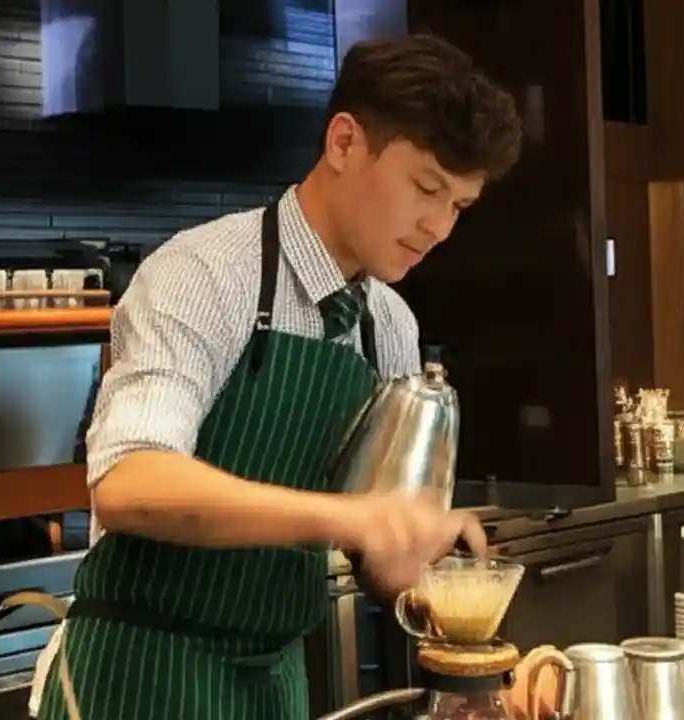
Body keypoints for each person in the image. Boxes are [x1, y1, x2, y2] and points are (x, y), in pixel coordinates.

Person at [31, 32, 523, 720]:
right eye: (426, 188)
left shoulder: (391, 326)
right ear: (345, 143)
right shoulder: (202, 274)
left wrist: (443, 581)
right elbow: (129, 483)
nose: (439, 226)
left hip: (274, 683)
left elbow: (382, 563)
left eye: (459, 207)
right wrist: (349, 514)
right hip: (138, 678)